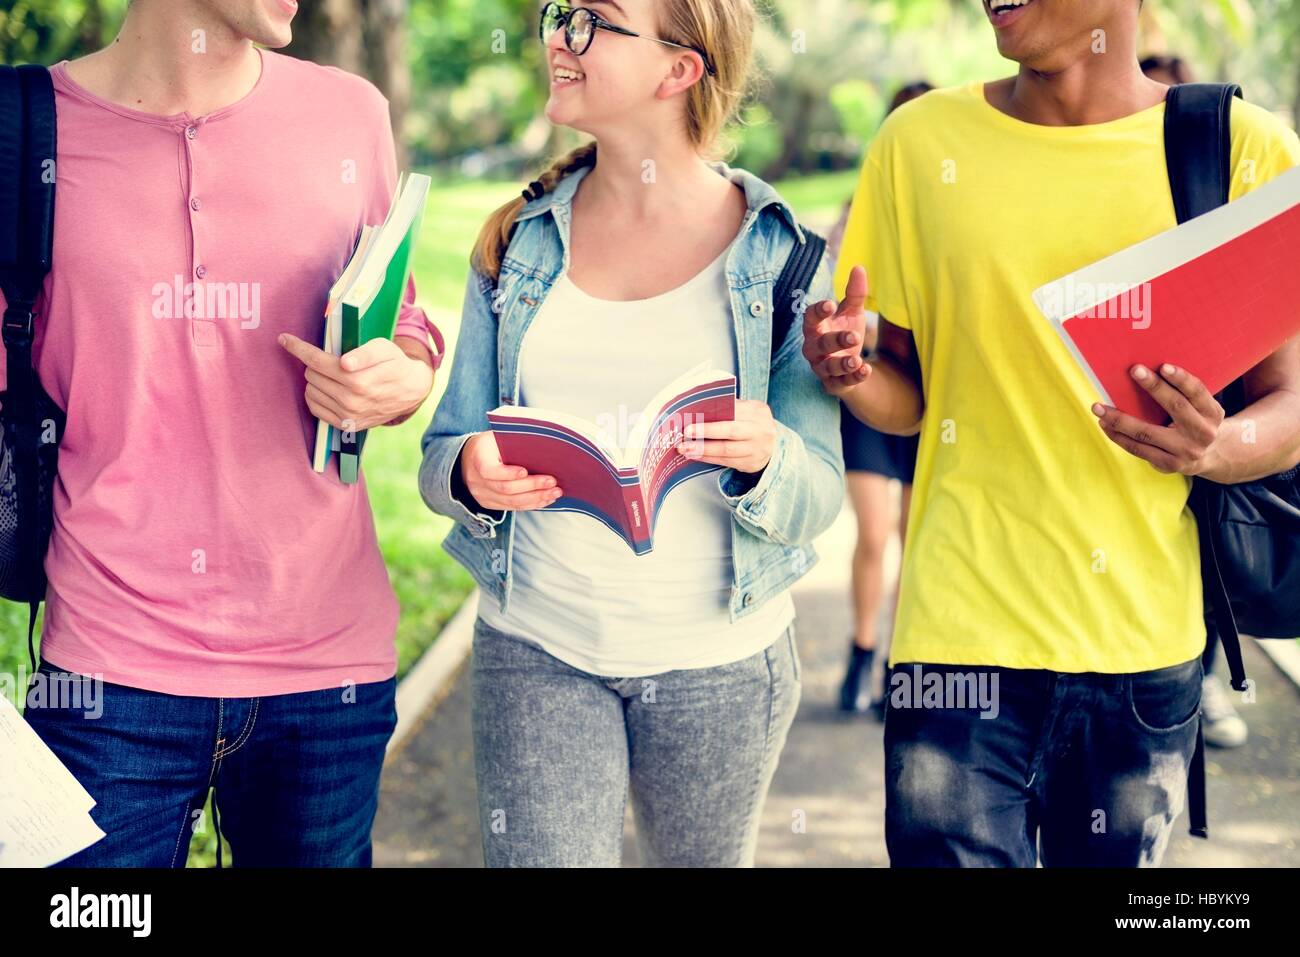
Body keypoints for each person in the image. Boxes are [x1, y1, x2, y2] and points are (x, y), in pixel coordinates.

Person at [804, 0, 1300, 866]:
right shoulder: (920, 144)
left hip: (1141, 649)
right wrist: (850, 372)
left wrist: (1216, 449)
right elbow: (912, 396)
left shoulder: (1242, 150)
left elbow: (1290, 407)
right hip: (954, 642)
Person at [9, 0, 443, 866]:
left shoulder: (349, 113)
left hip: (328, 671)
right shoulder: (25, 128)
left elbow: (404, 327)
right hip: (107, 673)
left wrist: (401, 378)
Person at [418, 0, 843, 867]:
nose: (556, 39)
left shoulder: (781, 255)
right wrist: (467, 472)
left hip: (722, 666)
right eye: (556, 15)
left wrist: (768, 460)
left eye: (590, 23)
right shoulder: (516, 241)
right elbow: (440, 451)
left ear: (677, 70)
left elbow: (820, 495)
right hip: (538, 646)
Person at [1137, 52, 1249, 750]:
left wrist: (1225, 442)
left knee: (1204, 545)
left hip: (1208, 451)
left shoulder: (1233, 149)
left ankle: (1210, 672)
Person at [826, 81, 932, 717]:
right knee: (873, 530)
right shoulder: (859, 207)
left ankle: (901, 661)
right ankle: (862, 649)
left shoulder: (956, 210)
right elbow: (841, 299)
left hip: (934, 402)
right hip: (869, 386)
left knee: (915, 536)